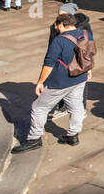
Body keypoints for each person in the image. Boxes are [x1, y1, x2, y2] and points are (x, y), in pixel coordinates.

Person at [15, 12, 92, 152]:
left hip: (60, 81)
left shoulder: (59, 40)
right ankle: (73, 135)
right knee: (76, 107)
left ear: (62, 24)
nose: (56, 28)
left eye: (57, 25)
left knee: (39, 108)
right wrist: (88, 70)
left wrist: (40, 82)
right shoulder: (85, 34)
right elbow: (88, 54)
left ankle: (34, 139)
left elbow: (49, 64)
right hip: (80, 77)